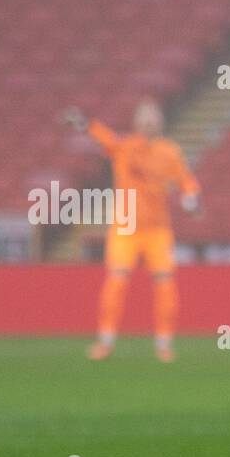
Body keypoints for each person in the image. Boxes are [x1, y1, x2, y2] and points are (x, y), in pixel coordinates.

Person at [61, 99, 200, 362]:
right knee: (116, 281)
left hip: (157, 229)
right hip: (126, 227)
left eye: (153, 117)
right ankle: (105, 341)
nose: (148, 121)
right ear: (136, 122)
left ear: (160, 121)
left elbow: (187, 181)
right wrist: (81, 122)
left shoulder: (169, 151)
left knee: (165, 284)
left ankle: (164, 344)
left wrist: (191, 197)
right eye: (144, 117)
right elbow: (102, 136)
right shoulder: (124, 146)